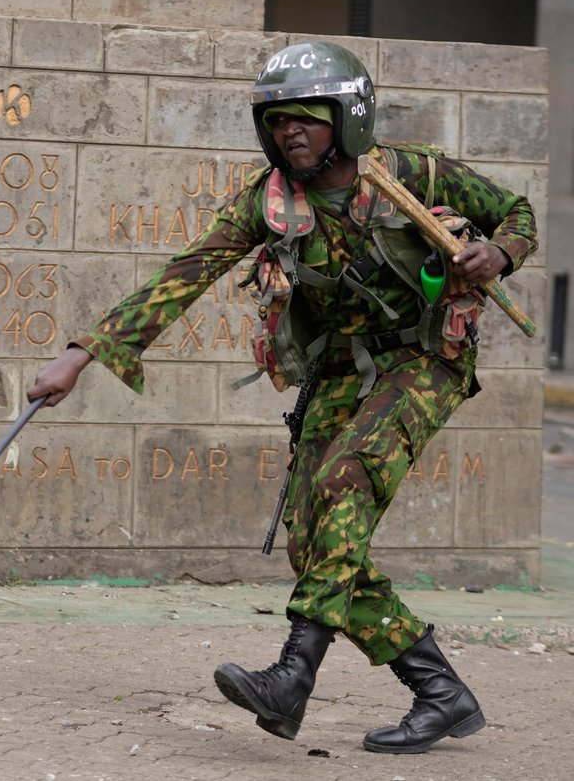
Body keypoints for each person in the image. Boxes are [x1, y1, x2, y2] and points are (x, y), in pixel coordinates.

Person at [27, 41, 537, 753]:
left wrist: (499, 253)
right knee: (313, 542)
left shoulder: (411, 171)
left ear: (347, 117)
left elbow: (517, 212)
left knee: (348, 479)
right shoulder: (266, 202)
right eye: (276, 119)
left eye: (306, 115)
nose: (289, 131)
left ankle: (293, 675)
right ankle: (440, 690)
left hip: (423, 360)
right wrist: (83, 353)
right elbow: (185, 273)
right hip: (337, 372)